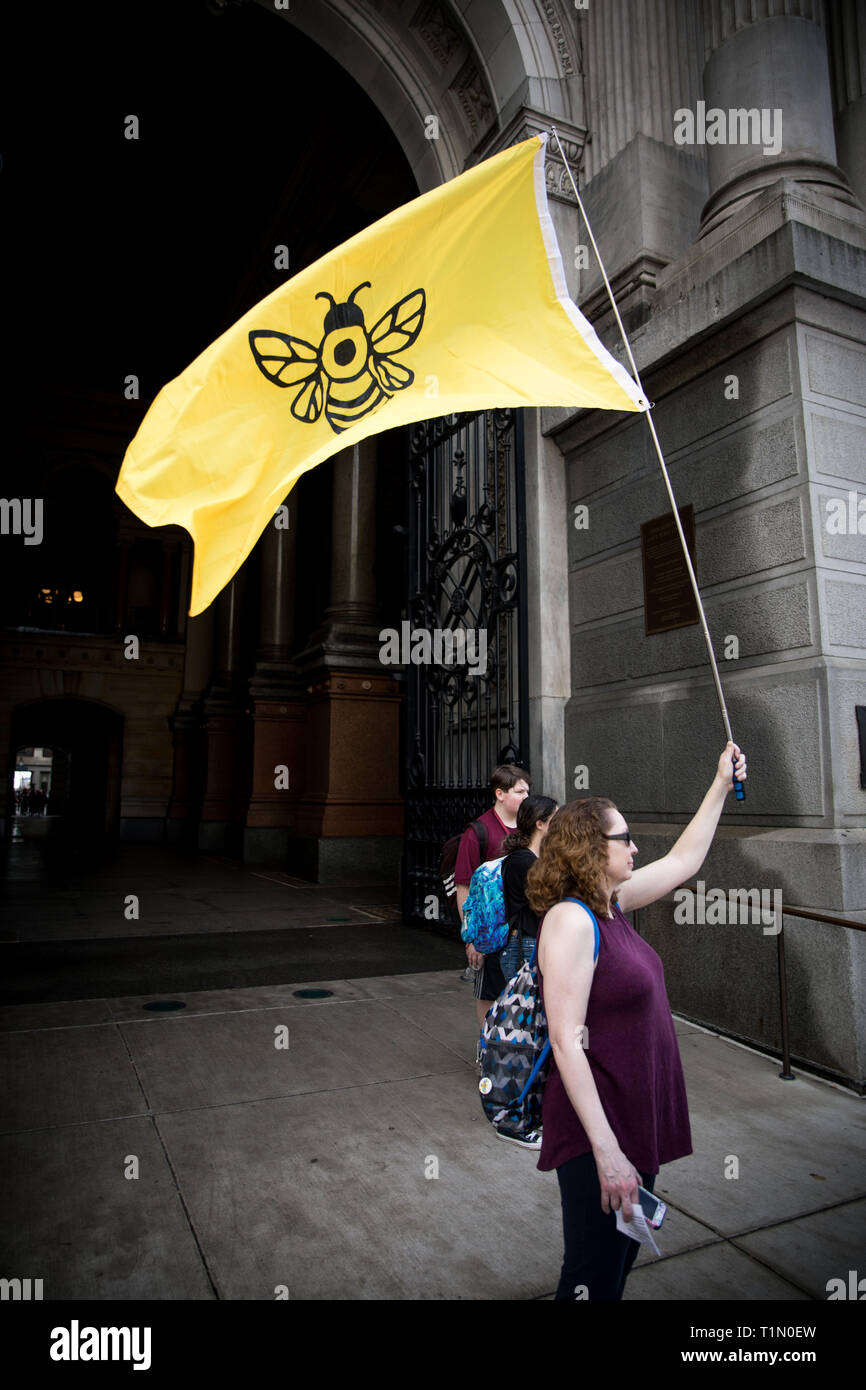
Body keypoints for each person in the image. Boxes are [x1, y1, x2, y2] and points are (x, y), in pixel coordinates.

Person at [527, 740, 747, 1301]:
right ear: (588, 847)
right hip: (599, 1131)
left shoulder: (612, 906)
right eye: (623, 837)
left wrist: (720, 784)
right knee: (592, 1279)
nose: (634, 846)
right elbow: (566, 1041)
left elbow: (682, 862)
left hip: (633, 1116)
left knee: (615, 1271)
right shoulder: (572, 921)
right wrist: (607, 1153)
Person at [456, 763, 530, 1028]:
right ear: (500, 794)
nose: (526, 797)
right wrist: (472, 938)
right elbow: (464, 889)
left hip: (522, 929)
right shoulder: (477, 832)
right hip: (491, 932)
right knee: (489, 994)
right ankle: (487, 1046)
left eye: (527, 792)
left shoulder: (528, 829)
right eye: (519, 792)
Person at [498, 794, 558, 983]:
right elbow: (549, 899)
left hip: (531, 939)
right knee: (527, 999)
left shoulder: (534, 858)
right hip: (526, 942)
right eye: (555, 819)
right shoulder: (523, 861)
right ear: (540, 824)